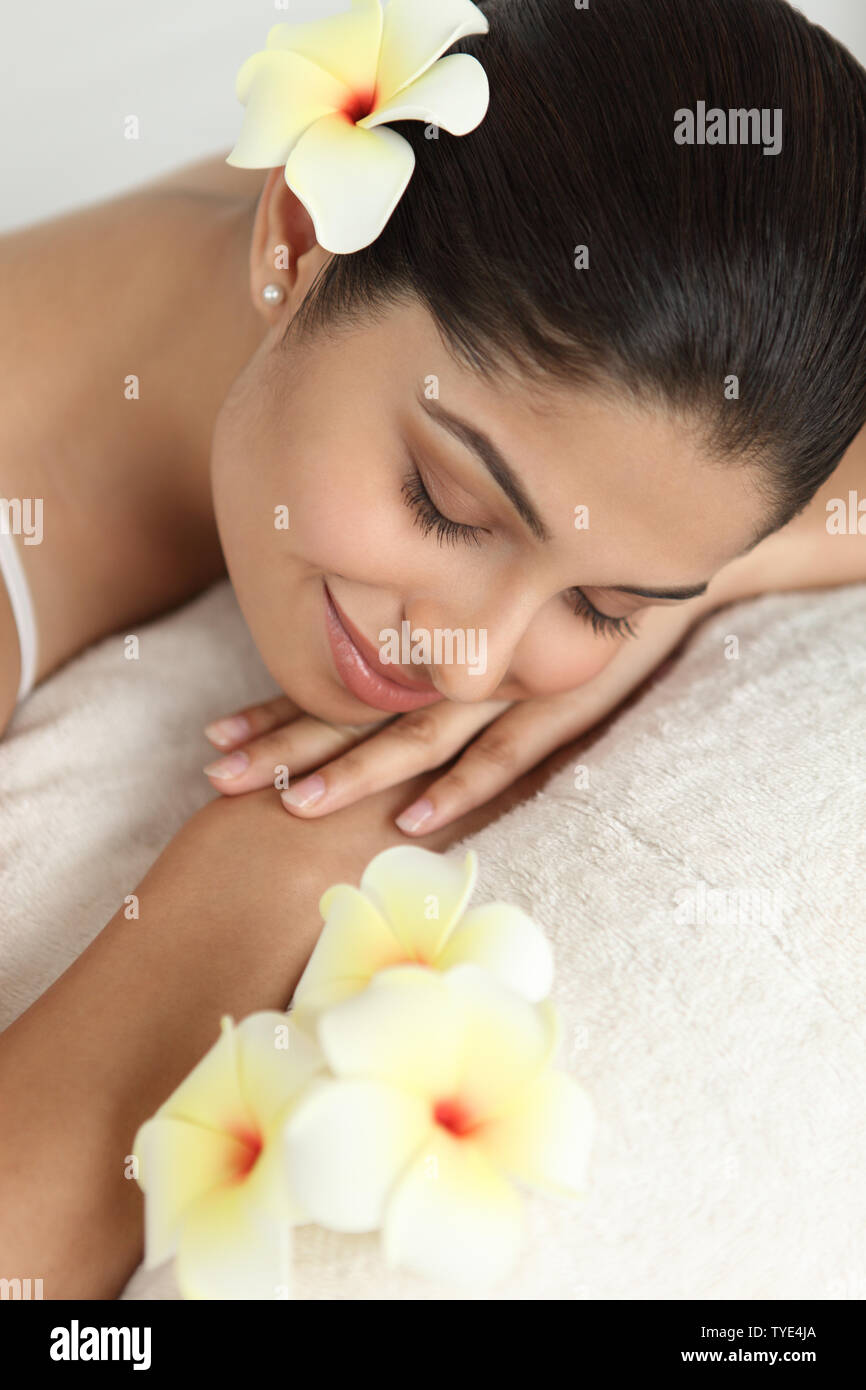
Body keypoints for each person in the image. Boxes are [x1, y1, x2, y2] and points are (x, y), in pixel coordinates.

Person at [1, 0, 864, 1297]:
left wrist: (691, 579)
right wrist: (275, 862)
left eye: (600, 602)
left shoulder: (444, 185)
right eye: (448, 506)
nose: (468, 665)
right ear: (291, 239)